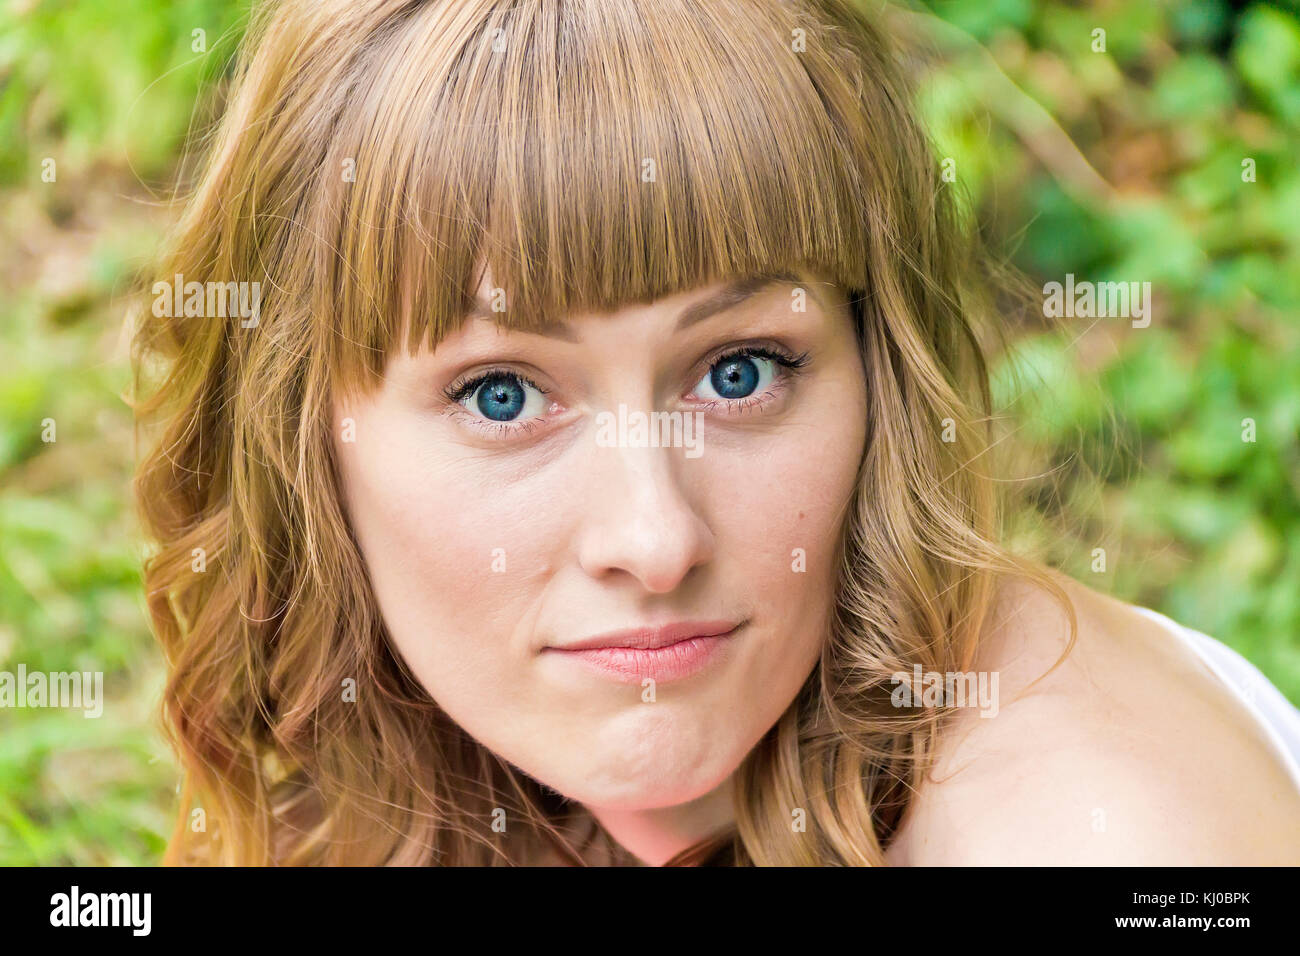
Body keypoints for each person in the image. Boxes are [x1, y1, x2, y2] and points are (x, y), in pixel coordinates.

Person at [132, 0, 1300, 865]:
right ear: (300, 438)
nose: (653, 538)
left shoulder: (1096, 837)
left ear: (877, 375)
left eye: (738, 371)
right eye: (503, 395)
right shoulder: (424, 758)